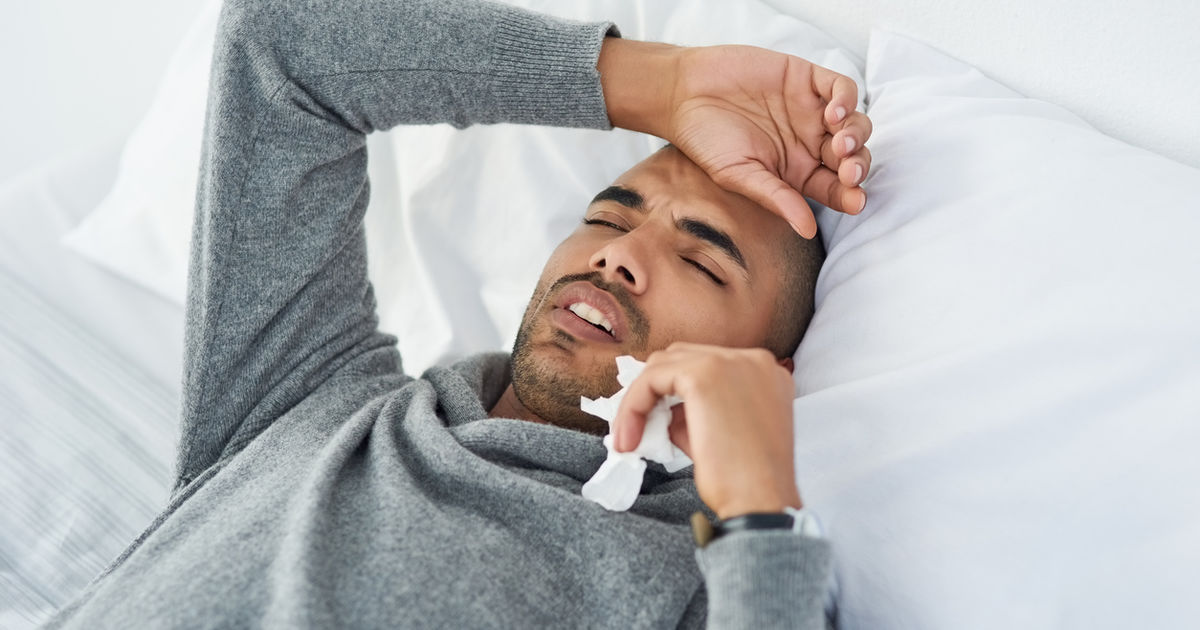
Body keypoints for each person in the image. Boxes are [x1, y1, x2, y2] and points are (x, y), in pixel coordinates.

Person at [42, 0, 872, 627]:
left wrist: (759, 503)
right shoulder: (305, 393)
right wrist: (665, 85)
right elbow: (280, 47)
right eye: (606, 217)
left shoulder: (702, 583)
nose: (617, 254)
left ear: (767, 374)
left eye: (701, 260)